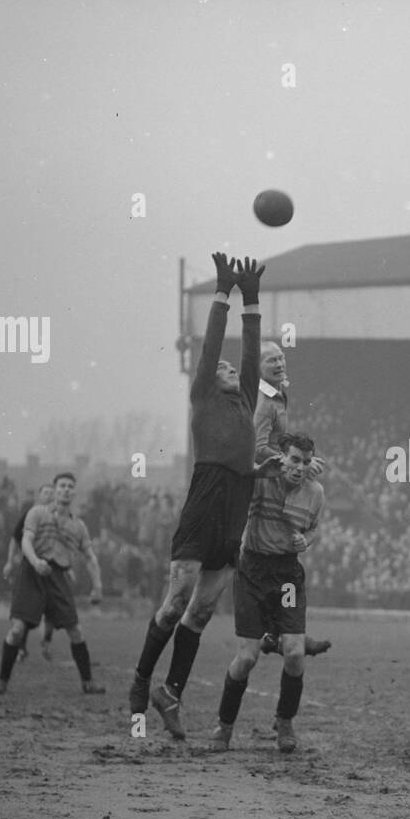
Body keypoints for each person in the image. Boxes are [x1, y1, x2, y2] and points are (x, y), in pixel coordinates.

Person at [127, 253, 267, 740]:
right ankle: (142, 679)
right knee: (175, 601)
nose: (229, 368)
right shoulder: (204, 394)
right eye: (221, 368)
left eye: (232, 369)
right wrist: (223, 294)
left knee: (203, 610)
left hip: (236, 506)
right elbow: (213, 350)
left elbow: (250, 353)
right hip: (207, 497)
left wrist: (253, 299)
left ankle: (170, 692)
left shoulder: (246, 398)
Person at [212, 432, 323, 753]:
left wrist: (308, 540)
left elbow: (314, 526)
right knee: (247, 657)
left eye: (305, 461)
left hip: (287, 576)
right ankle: (224, 726)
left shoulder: (315, 492)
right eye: (294, 459)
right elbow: (232, 477)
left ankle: (285, 723)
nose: (300, 467)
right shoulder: (260, 481)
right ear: (281, 458)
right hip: (253, 573)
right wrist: (258, 469)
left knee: (295, 652)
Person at [254, 339, 332, 659]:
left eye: (282, 357)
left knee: (288, 551)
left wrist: (299, 463)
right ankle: (284, 632)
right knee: (273, 552)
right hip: (269, 476)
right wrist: (294, 464)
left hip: (279, 471)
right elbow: (258, 447)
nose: (279, 363)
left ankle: (287, 632)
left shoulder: (279, 394)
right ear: (258, 367)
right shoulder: (264, 401)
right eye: (271, 359)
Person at [0, 472, 105, 695]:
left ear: (74, 492)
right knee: (17, 631)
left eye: (69, 487)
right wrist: (35, 562)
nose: (65, 490)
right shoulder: (37, 513)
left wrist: (98, 586)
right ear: (54, 490)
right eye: (61, 486)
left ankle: (88, 682)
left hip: (57, 577)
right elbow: (25, 541)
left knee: (76, 631)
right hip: (32, 573)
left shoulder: (79, 526)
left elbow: (90, 558)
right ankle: (2, 681)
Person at [3, 482, 54, 661]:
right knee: (25, 611)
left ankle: (46, 642)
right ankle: (22, 649)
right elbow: (15, 538)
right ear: (40, 496)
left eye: (51, 493)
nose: (48, 496)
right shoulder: (30, 514)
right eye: (45, 492)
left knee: (51, 610)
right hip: (31, 569)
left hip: (51, 569)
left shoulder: (58, 517)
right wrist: (10, 562)